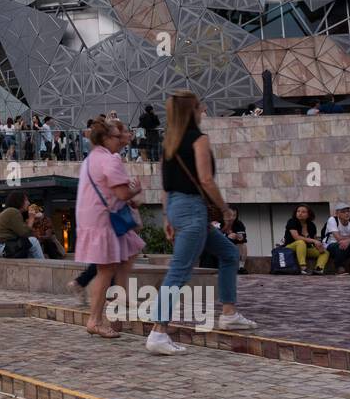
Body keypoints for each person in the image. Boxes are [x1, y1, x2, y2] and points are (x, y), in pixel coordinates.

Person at [147, 90, 256, 355]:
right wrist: (225, 209)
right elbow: (206, 180)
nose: (203, 109)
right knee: (179, 271)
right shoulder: (199, 139)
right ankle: (158, 333)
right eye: (199, 106)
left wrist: (167, 217)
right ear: (192, 111)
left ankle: (229, 313)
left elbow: (165, 187)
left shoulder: (169, 142)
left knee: (229, 253)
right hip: (192, 208)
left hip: (176, 206)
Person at [71, 121, 145, 334]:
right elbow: (122, 193)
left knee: (128, 252)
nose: (119, 139)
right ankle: (95, 320)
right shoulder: (109, 159)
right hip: (103, 220)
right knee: (106, 269)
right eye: (115, 136)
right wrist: (135, 191)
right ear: (105, 139)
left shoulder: (90, 159)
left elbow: (107, 191)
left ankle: (118, 304)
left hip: (93, 218)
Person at [0, 192, 44, 259]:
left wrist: (33, 220)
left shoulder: (11, 212)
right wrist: (31, 218)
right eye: (26, 200)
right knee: (33, 241)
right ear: (19, 201)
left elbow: (21, 233)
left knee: (28, 245)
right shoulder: (13, 211)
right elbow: (25, 234)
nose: (28, 203)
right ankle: (44, 266)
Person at [324, 203, 350, 275]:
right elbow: (338, 238)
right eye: (343, 212)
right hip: (330, 245)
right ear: (337, 213)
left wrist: (349, 241)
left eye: (348, 211)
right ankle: (339, 267)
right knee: (341, 244)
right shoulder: (332, 220)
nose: (347, 213)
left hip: (348, 245)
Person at [284, 204, 327, 275]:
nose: (300, 213)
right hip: (290, 248)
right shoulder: (292, 221)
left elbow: (314, 239)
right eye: (298, 211)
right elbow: (296, 237)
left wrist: (319, 246)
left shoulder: (312, 225)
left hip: (305, 249)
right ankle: (303, 267)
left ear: (309, 215)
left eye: (303, 212)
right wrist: (314, 241)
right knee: (300, 242)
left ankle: (318, 269)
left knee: (325, 252)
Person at [220, 207, 249, 274]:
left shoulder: (239, 224)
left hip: (234, 244)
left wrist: (237, 236)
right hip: (222, 244)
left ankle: (241, 267)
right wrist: (227, 236)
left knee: (243, 245)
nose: (232, 218)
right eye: (230, 215)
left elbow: (243, 238)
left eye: (234, 215)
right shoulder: (220, 222)